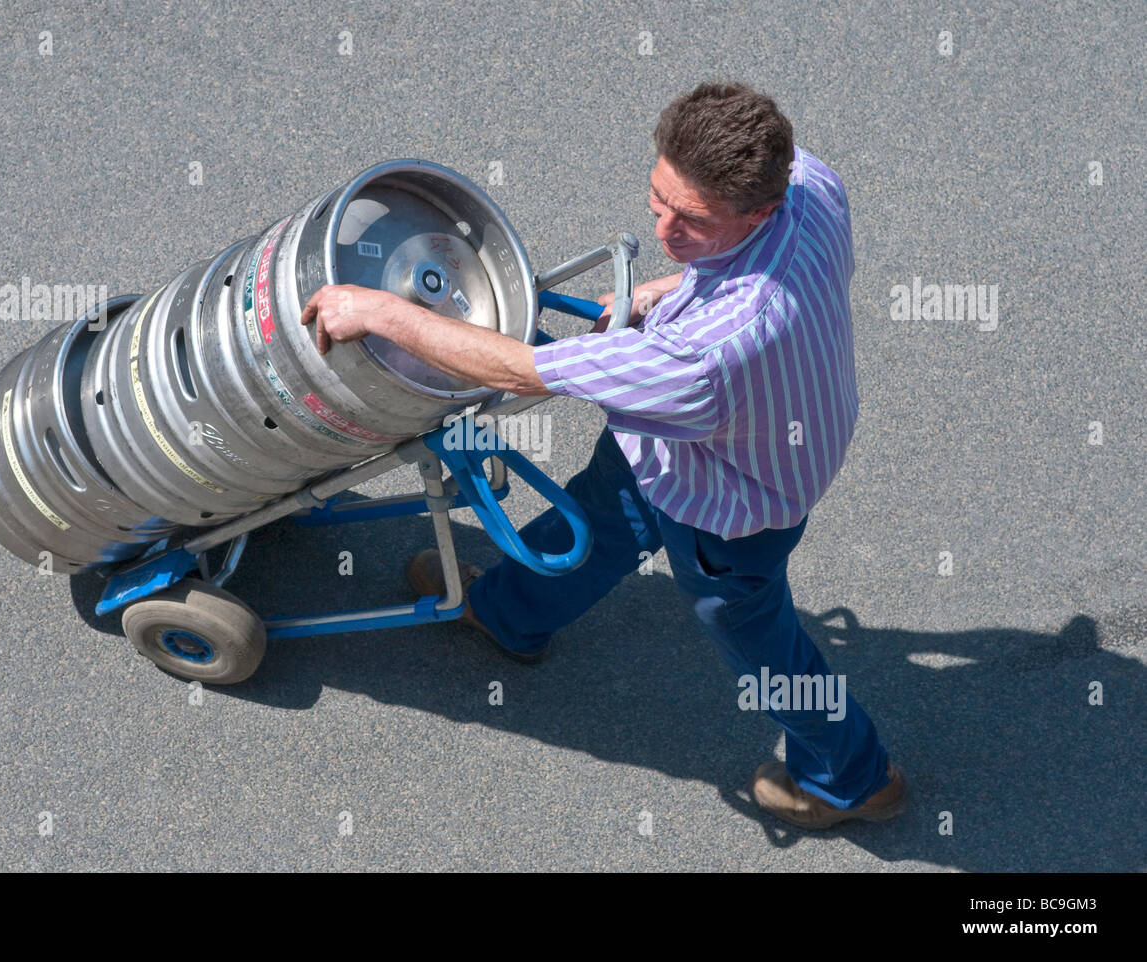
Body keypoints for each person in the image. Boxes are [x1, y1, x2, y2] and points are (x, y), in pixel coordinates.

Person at [300, 81, 906, 830]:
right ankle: (513, 614)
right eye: (658, 199)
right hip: (714, 435)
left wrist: (384, 312)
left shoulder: (706, 356)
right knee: (608, 509)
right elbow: (744, 269)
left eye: (693, 222)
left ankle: (853, 775)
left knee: (759, 640)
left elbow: (517, 370)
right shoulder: (809, 181)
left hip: (736, 503)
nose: (664, 227)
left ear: (758, 210)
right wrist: (692, 278)